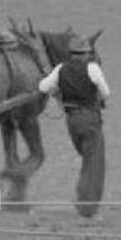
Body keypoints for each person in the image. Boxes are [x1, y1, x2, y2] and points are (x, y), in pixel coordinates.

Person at [39, 36, 109, 216]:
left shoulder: (61, 68)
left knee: (87, 159)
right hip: (90, 117)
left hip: (72, 121)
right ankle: (87, 207)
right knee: (94, 161)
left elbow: (43, 87)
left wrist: (58, 90)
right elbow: (105, 92)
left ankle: (83, 199)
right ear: (86, 53)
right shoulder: (92, 68)